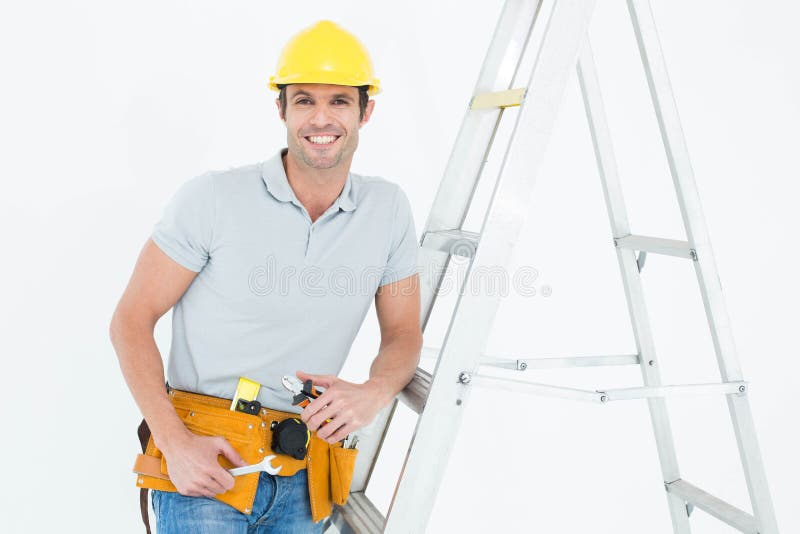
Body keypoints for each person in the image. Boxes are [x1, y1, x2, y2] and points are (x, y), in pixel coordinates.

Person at [110, 19, 422, 533]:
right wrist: (172, 442)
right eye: (304, 101)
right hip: (206, 463)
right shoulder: (212, 199)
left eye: (339, 101)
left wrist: (375, 391)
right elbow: (130, 320)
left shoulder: (387, 209)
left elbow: (404, 334)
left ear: (367, 111)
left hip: (307, 471)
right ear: (280, 108)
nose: (321, 118)